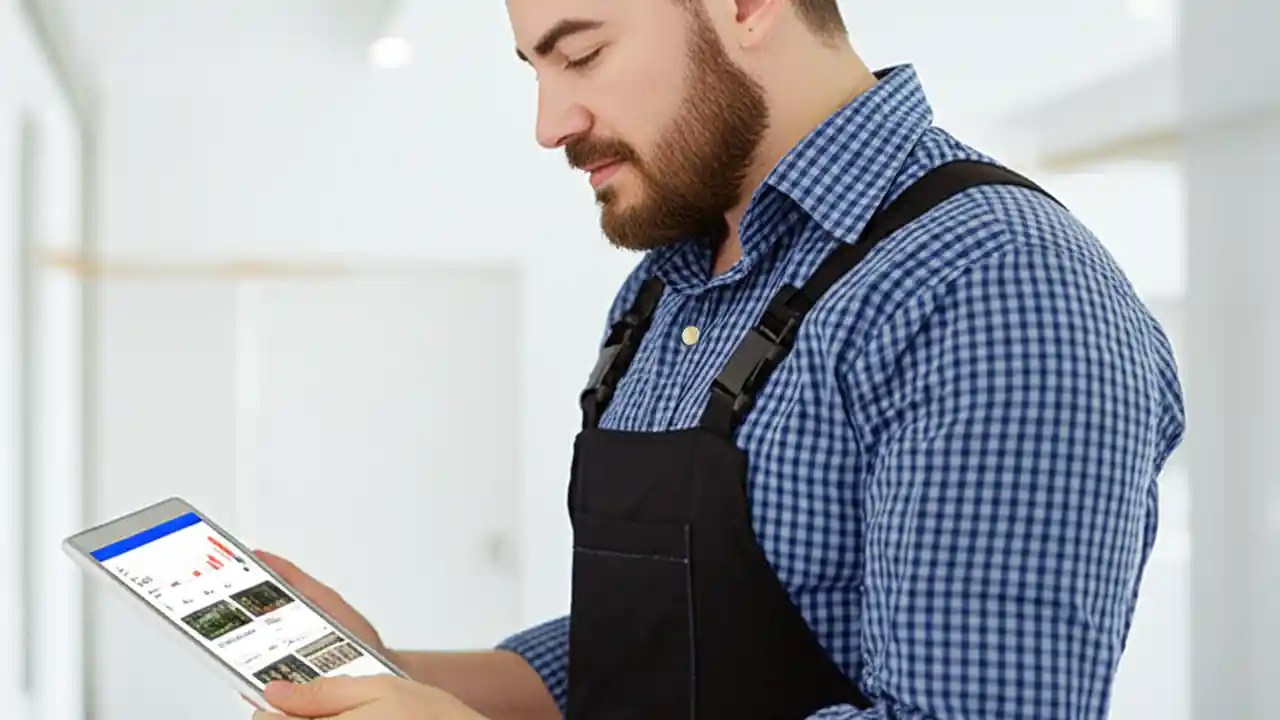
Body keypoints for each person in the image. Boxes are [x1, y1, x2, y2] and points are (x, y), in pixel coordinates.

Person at [252, 0, 1186, 718]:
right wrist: (388, 676)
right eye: (534, 67)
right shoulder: (665, 289)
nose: (550, 123)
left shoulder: (991, 284)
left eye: (583, 54)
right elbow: (661, 653)